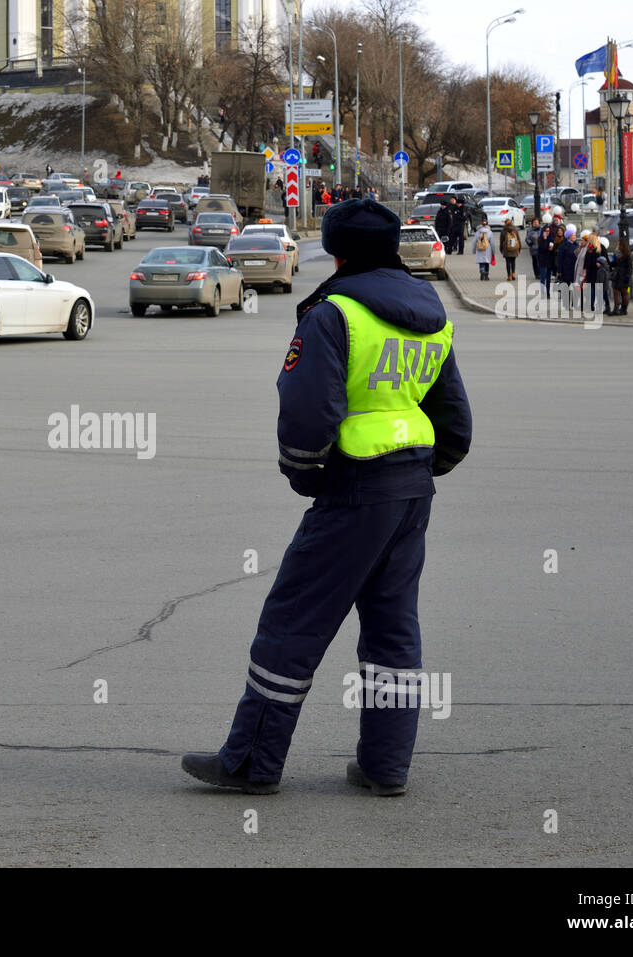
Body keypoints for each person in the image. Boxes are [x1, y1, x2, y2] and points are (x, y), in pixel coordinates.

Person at [180, 198, 472, 796]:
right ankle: (385, 767)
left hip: (356, 485)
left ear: (338, 252)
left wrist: (308, 475)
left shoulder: (335, 313)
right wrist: (424, 467)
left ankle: (250, 764)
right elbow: (455, 419)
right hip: (412, 486)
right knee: (394, 633)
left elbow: (310, 411)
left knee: (293, 623)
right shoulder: (430, 311)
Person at [610, 236, 632, 316]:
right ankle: (616, 309)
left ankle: (624, 309)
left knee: (624, 293)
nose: (617, 245)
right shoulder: (617, 253)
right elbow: (615, 264)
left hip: (624, 276)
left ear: (622, 245)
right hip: (617, 276)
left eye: (619, 244)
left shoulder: (628, 255)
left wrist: (627, 277)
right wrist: (609, 263)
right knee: (616, 292)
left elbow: (629, 268)